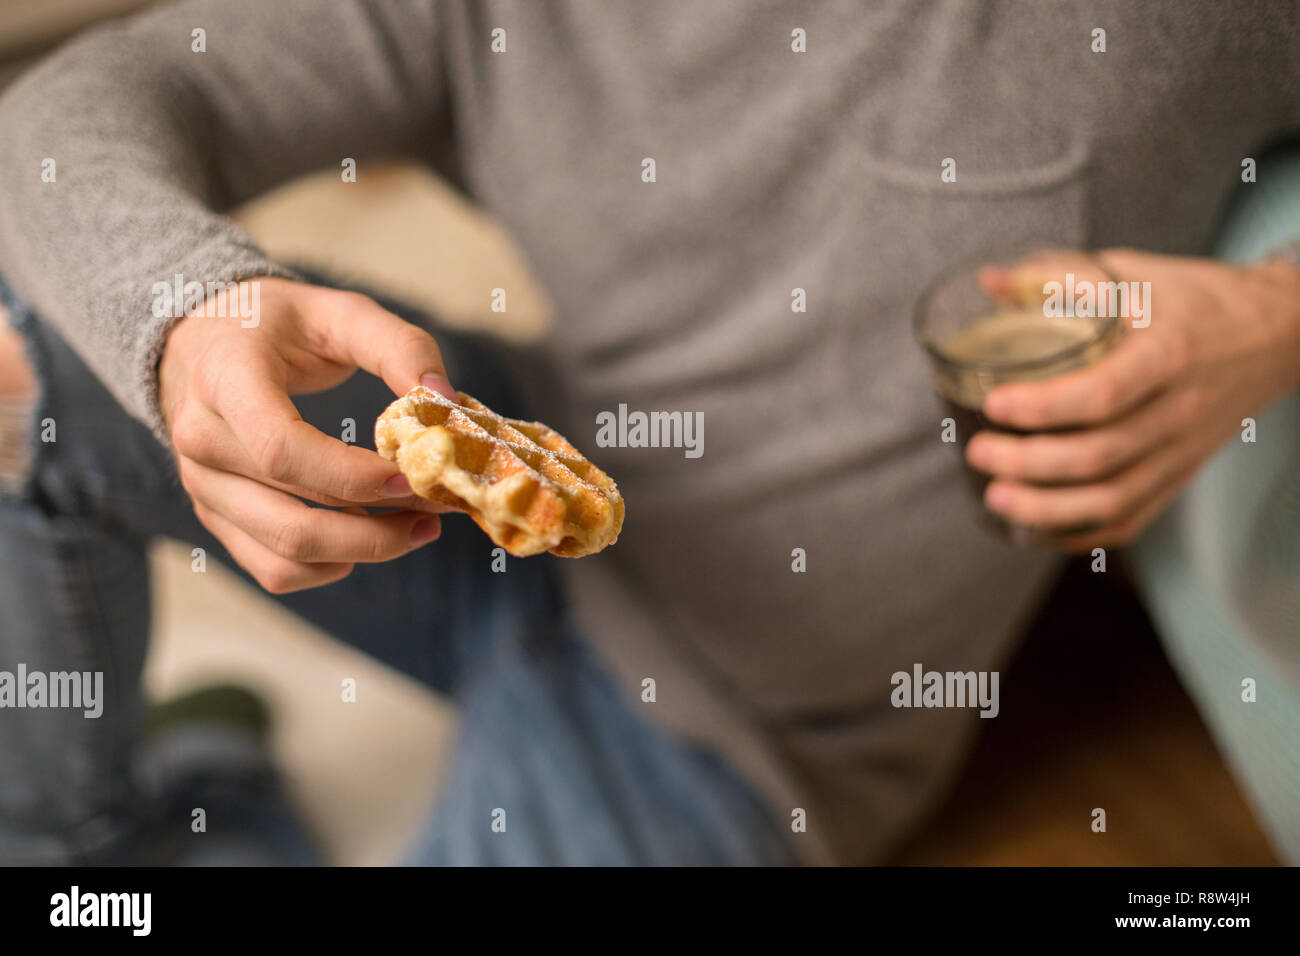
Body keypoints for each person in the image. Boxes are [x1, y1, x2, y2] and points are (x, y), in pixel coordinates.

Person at [1, 0, 1298, 866]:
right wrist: (184, 313)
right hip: (499, 501)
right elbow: (64, 117)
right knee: (19, 346)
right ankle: (87, 853)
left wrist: (1271, 314)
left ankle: (230, 819)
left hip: (740, 728)